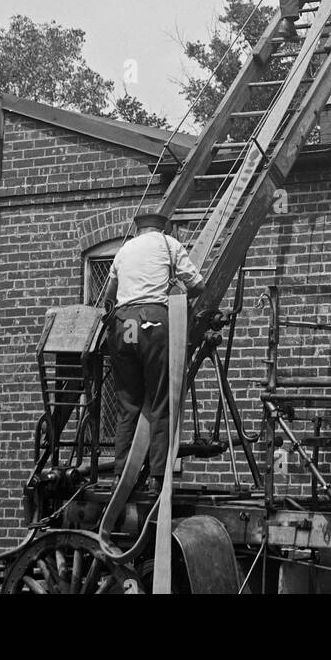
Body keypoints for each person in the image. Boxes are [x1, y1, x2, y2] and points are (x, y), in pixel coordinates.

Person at [106, 211, 205, 494]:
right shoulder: (168, 244)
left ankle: (119, 474)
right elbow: (199, 285)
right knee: (161, 399)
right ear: (162, 227)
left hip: (125, 324)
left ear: (138, 229)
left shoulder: (124, 250)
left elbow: (108, 296)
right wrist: (179, 291)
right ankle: (157, 476)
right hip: (153, 323)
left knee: (128, 404)